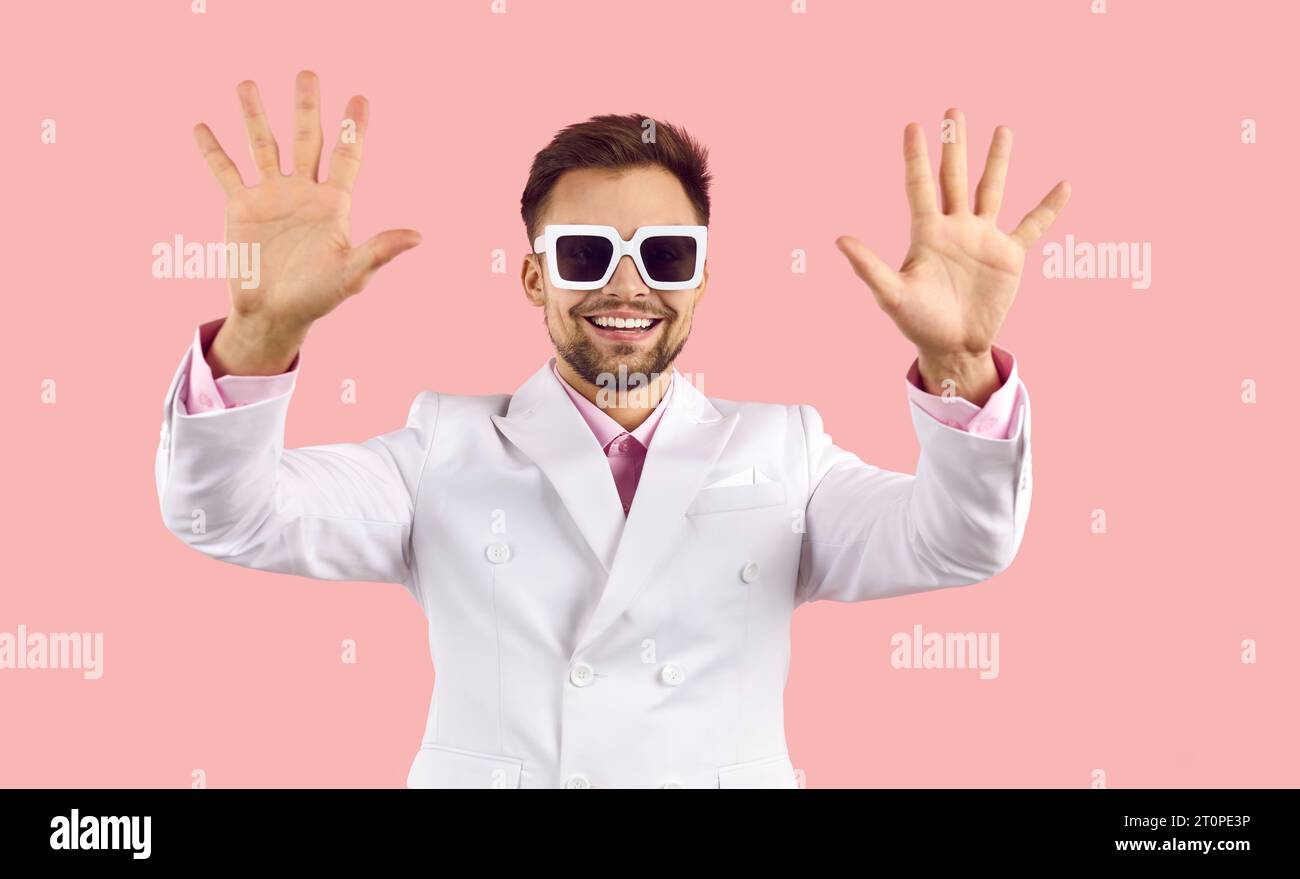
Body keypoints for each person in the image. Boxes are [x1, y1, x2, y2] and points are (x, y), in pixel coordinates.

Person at [156, 71, 1068, 789]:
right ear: (532, 278)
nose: (627, 288)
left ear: (701, 280)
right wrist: (264, 333)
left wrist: (960, 362)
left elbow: (962, 542)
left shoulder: (785, 451)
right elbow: (227, 516)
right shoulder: (443, 447)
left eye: (666, 255)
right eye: (586, 253)